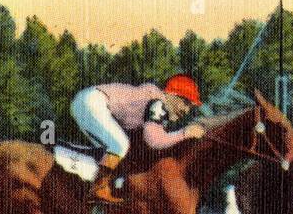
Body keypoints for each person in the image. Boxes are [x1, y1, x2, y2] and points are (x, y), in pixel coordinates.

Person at [70, 74, 205, 204]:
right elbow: (153, 140)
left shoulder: (156, 102)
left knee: (115, 152)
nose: (186, 110)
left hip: (86, 101)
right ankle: (98, 189)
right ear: (173, 95)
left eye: (190, 106)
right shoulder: (157, 104)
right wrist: (184, 134)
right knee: (119, 146)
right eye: (186, 102)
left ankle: (93, 184)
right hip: (91, 101)